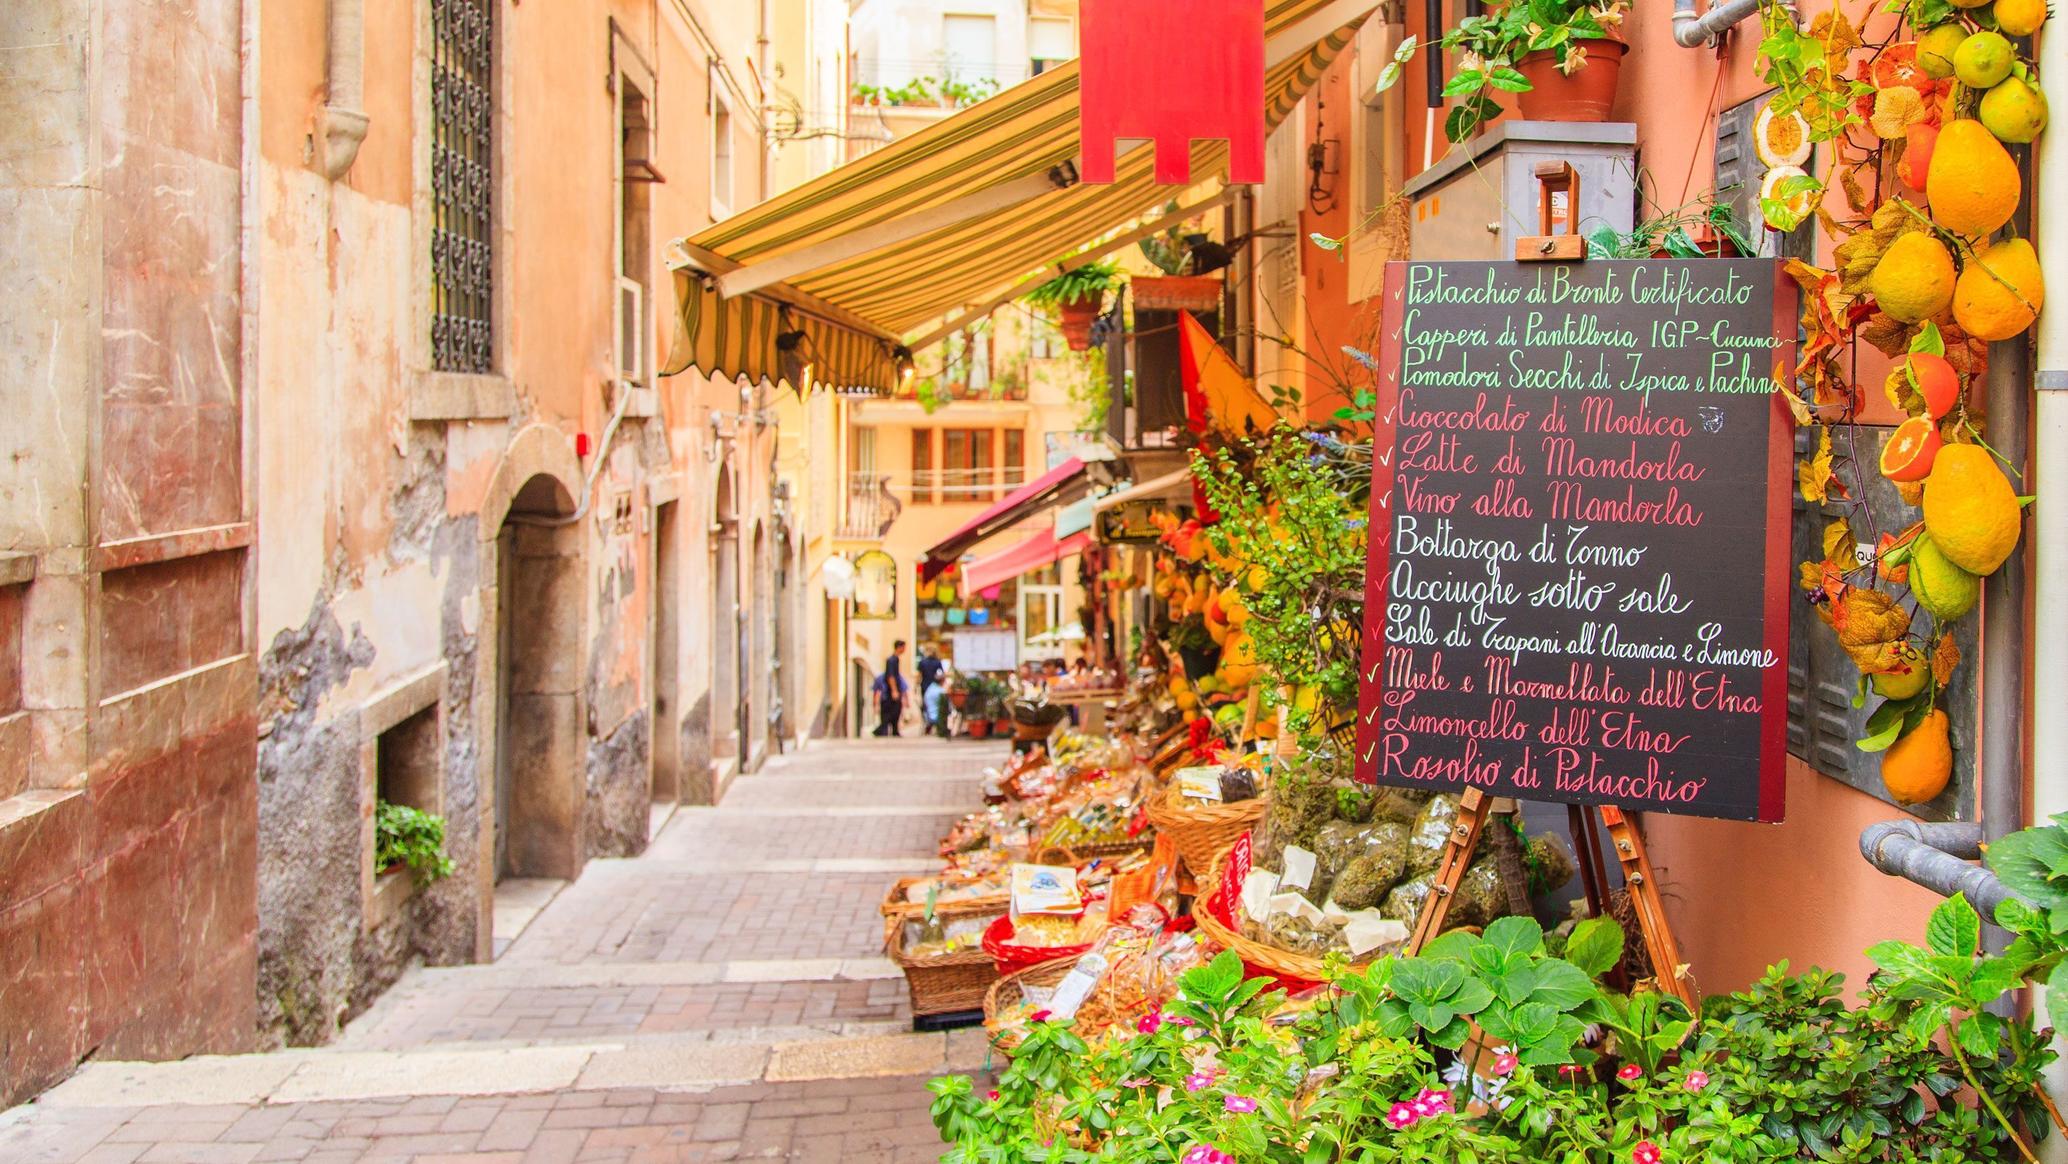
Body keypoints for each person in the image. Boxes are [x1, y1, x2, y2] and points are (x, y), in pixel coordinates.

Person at [873, 640, 908, 737]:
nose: (905, 650)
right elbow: (891, 676)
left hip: (893, 689)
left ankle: (893, 730)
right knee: (892, 711)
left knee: (895, 710)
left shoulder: (895, 659)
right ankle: (881, 729)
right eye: (904, 647)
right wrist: (894, 690)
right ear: (899, 647)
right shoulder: (892, 660)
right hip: (890, 691)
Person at [916, 647, 945, 735]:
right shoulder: (937, 662)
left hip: (925, 686)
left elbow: (919, 675)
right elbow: (941, 674)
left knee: (926, 707)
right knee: (938, 705)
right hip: (935, 686)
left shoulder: (922, 662)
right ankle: (934, 722)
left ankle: (928, 721)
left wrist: (915, 686)